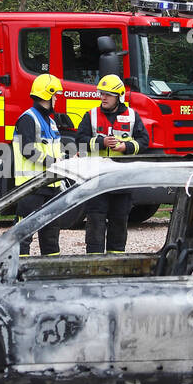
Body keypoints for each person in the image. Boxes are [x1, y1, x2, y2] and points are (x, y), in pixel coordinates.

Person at [75, 74, 149, 253]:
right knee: (95, 223)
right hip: (97, 180)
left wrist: (126, 146)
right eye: (102, 93)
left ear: (119, 96)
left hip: (121, 180)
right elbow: (80, 142)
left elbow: (144, 141)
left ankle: (115, 263)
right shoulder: (91, 115)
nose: (103, 97)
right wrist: (101, 143)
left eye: (108, 94)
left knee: (119, 222)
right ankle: (94, 263)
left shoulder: (132, 116)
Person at [12, 73, 65, 256]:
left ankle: (50, 272)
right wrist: (53, 162)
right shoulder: (28, 119)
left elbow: (54, 150)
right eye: (55, 95)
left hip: (50, 186)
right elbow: (28, 151)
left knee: (51, 235)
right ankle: (18, 272)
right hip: (31, 186)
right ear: (47, 94)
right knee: (23, 234)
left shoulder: (50, 121)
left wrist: (65, 160)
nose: (57, 98)